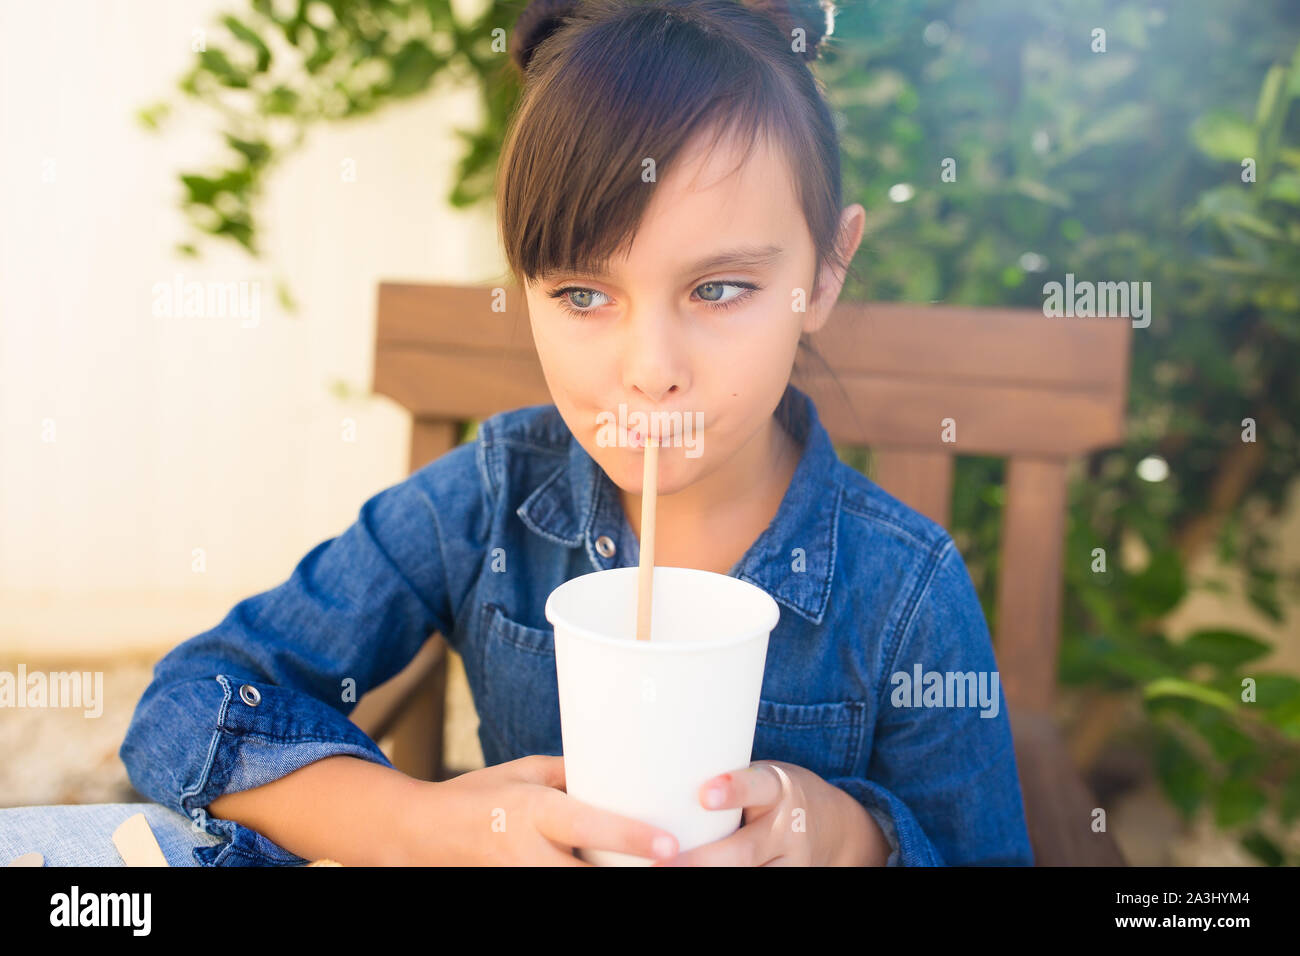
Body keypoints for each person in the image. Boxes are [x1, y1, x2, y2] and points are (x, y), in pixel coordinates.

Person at [0, 0, 1032, 866]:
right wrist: (417, 819)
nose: (648, 365)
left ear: (828, 270)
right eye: (584, 293)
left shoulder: (900, 587)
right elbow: (186, 707)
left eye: (719, 287)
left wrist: (846, 831)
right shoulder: (490, 500)